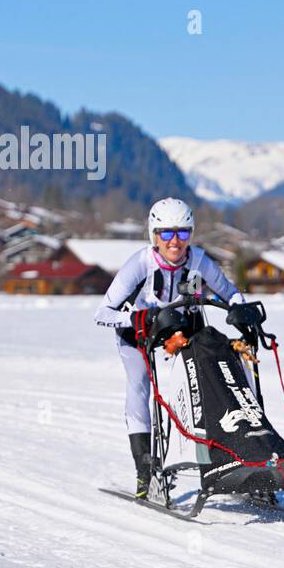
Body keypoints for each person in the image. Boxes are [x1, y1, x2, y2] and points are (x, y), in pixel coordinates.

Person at [94, 198, 245, 496]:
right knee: (140, 387)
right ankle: (145, 470)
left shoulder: (199, 259)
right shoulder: (140, 263)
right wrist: (139, 317)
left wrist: (241, 309)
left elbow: (229, 293)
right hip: (136, 333)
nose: (175, 241)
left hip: (180, 331)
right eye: (166, 233)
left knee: (211, 382)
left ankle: (226, 458)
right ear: (154, 235)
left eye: (183, 233)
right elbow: (103, 314)